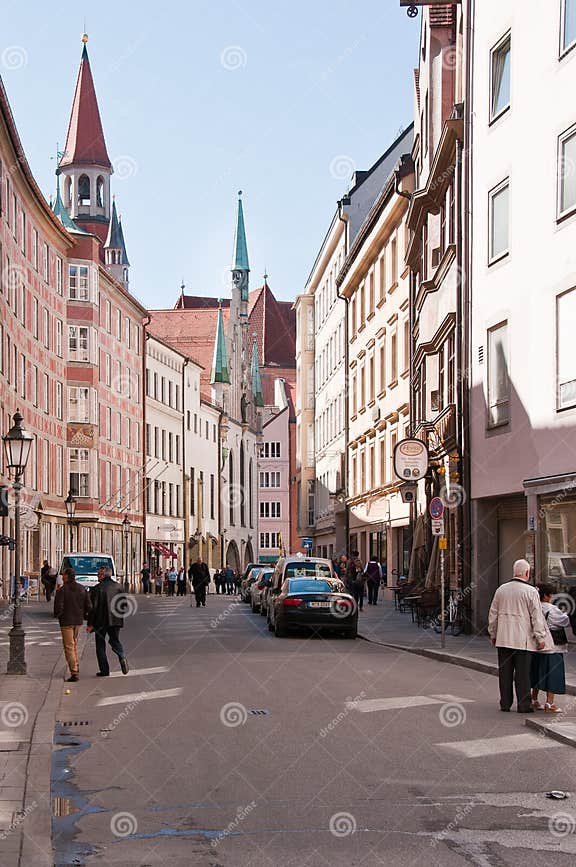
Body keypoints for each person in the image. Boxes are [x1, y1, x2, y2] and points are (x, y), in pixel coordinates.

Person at [488, 559, 552, 713]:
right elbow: (536, 617)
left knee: (505, 673)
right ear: (527, 573)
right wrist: (540, 637)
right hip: (523, 641)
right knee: (523, 674)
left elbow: (493, 614)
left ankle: (505, 703)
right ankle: (523, 705)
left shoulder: (501, 590)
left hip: (503, 639)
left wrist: (493, 633)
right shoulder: (531, 592)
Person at [531, 584, 570, 714]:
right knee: (553, 674)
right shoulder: (552, 609)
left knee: (536, 672)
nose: (552, 597)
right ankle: (550, 703)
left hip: (536, 645)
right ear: (546, 595)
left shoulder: (534, 607)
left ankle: (534, 700)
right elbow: (565, 621)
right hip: (553, 646)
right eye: (551, 594)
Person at [87, 567, 129, 677]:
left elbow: (93, 608)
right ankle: (122, 656)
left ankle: (104, 670)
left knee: (100, 645)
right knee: (115, 640)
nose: (97, 576)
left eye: (98, 574)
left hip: (100, 622)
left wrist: (90, 624)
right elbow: (124, 605)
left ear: (102, 575)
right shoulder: (119, 587)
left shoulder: (97, 588)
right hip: (115, 620)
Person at [54, 567, 91, 682]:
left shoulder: (62, 590)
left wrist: (58, 615)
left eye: (63, 575)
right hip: (78, 621)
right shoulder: (82, 588)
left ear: (67, 577)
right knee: (73, 644)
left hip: (66, 621)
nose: (62, 577)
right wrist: (84, 615)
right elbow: (89, 606)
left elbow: (58, 607)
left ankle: (74, 672)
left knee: (69, 646)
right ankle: (76, 665)